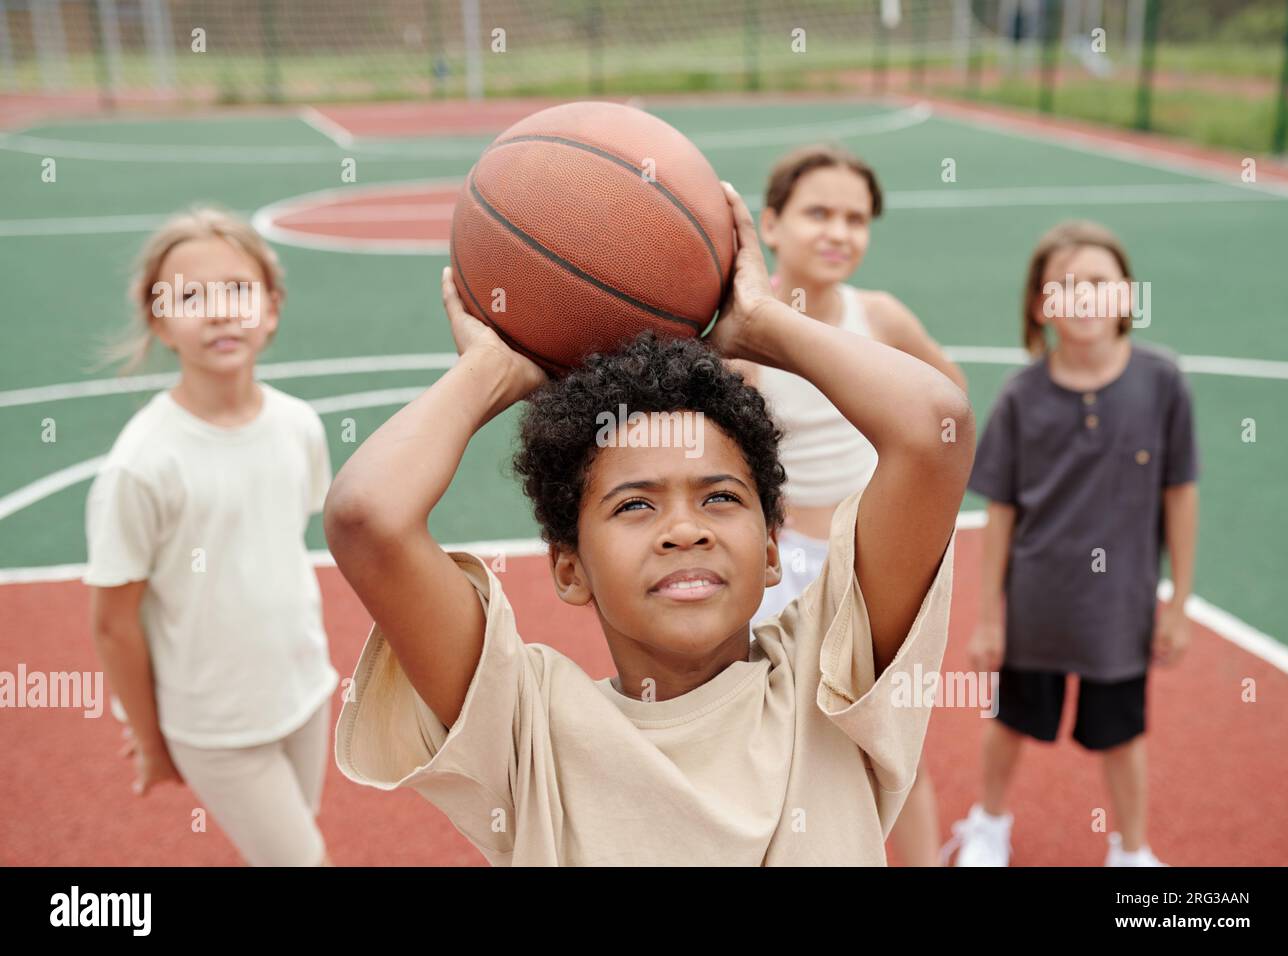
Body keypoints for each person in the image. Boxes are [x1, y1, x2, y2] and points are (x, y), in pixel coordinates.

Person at [326, 182, 973, 865]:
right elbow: (369, 518)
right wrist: (490, 370)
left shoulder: (831, 682)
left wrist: (760, 322)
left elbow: (937, 430)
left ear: (774, 552)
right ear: (569, 569)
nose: (685, 530)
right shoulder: (527, 726)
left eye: (720, 497)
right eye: (635, 505)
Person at [730, 145, 968, 866]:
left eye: (856, 218)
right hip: (778, 574)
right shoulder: (740, 338)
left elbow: (948, 410)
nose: (838, 231)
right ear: (769, 225)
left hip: (871, 571)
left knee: (897, 745)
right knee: (773, 747)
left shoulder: (882, 318)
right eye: (818, 213)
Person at [84, 208, 338, 867]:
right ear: (160, 320)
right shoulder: (142, 466)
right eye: (190, 296)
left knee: (288, 847)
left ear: (272, 308)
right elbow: (114, 622)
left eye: (238, 290)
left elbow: (275, 547)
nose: (220, 311)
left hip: (304, 691)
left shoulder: (300, 427)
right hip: (217, 725)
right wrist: (150, 739)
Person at [944, 220, 1199, 867]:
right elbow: (1000, 513)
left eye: (1096, 282)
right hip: (1038, 605)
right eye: (1063, 285)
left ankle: (1132, 850)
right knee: (1010, 725)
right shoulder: (1023, 396)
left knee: (1123, 736)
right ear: (1039, 305)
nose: (1081, 297)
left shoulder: (1163, 382)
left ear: (1126, 295)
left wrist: (1179, 602)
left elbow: (1180, 493)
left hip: (1121, 608)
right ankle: (990, 824)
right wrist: (988, 618)